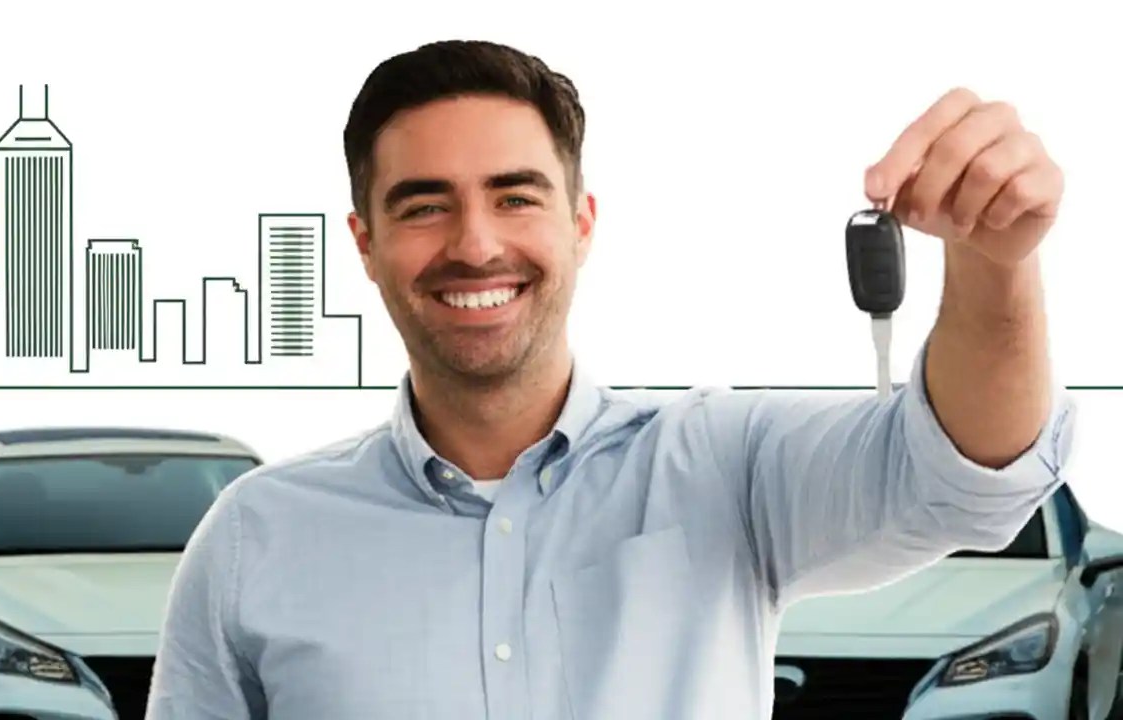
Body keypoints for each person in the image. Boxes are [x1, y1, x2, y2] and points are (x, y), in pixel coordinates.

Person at [144, 40, 1074, 719]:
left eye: (516, 196)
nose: (475, 244)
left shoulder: (723, 468)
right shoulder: (252, 542)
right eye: (425, 206)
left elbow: (967, 477)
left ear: (581, 225)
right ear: (366, 246)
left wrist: (994, 266)